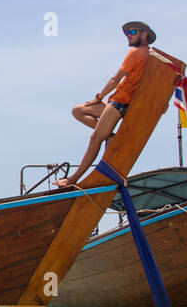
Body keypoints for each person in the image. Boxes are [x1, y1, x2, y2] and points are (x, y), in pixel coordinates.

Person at [54, 21, 155, 188]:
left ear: (144, 34)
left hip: (119, 103)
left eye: (132, 31)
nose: (128, 34)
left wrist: (98, 97)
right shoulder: (150, 56)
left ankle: (73, 179)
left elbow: (115, 79)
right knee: (78, 110)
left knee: (95, 138)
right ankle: (110, 136)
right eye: (127, 32)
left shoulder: (135, 53)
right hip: (119, 102)